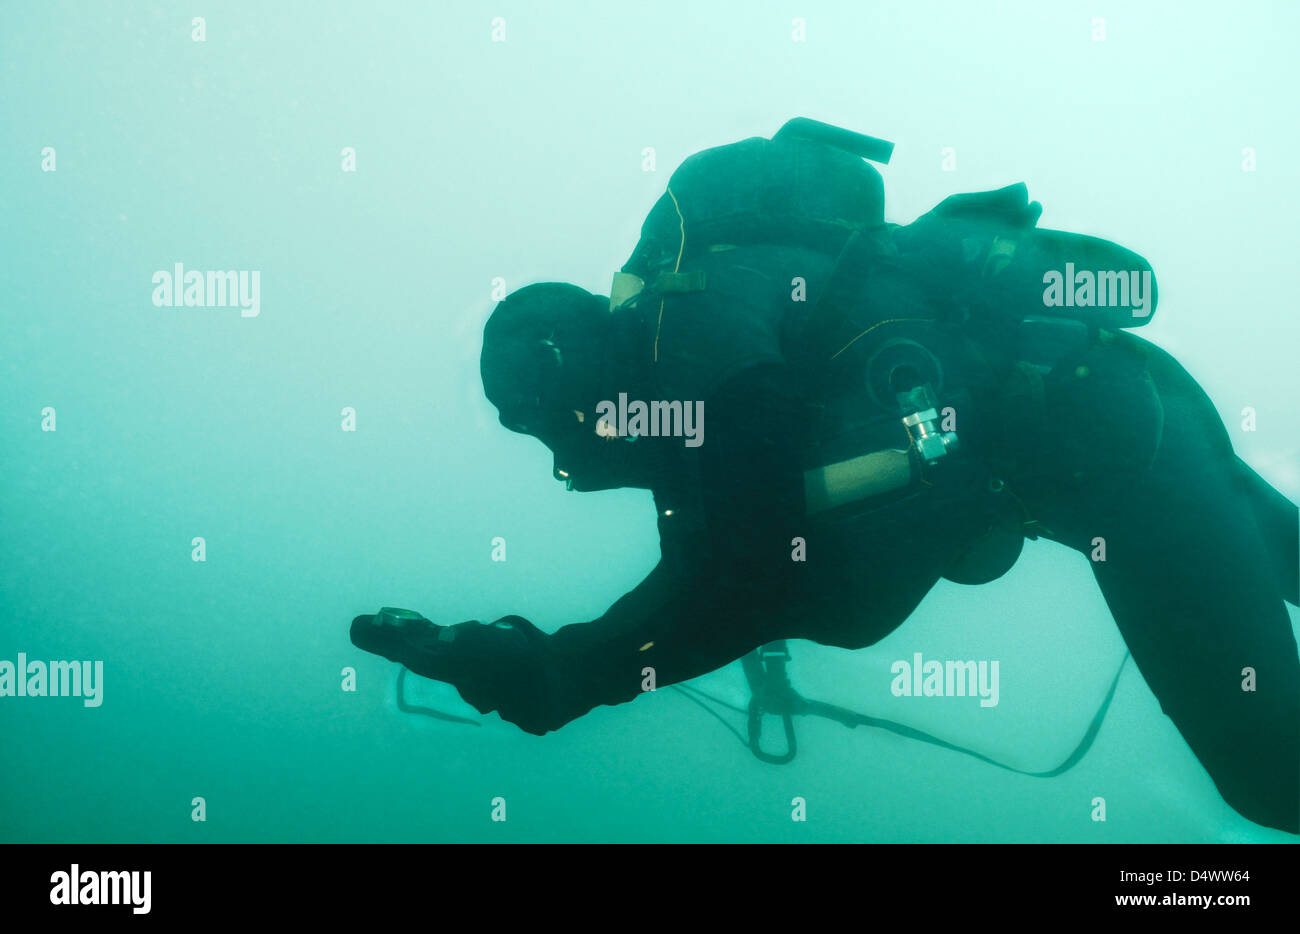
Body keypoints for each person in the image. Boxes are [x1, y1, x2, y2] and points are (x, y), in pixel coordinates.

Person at [351, 119, 1299, 834]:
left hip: (1116, 450)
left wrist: (552, 670)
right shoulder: (698, 353)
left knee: (1272, 776)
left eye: (534, 412)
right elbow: (751, 563)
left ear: (570, 372)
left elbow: (745, 579)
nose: (553, 450)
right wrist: (555, 665)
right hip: (1122, 404)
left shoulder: (692, 345)